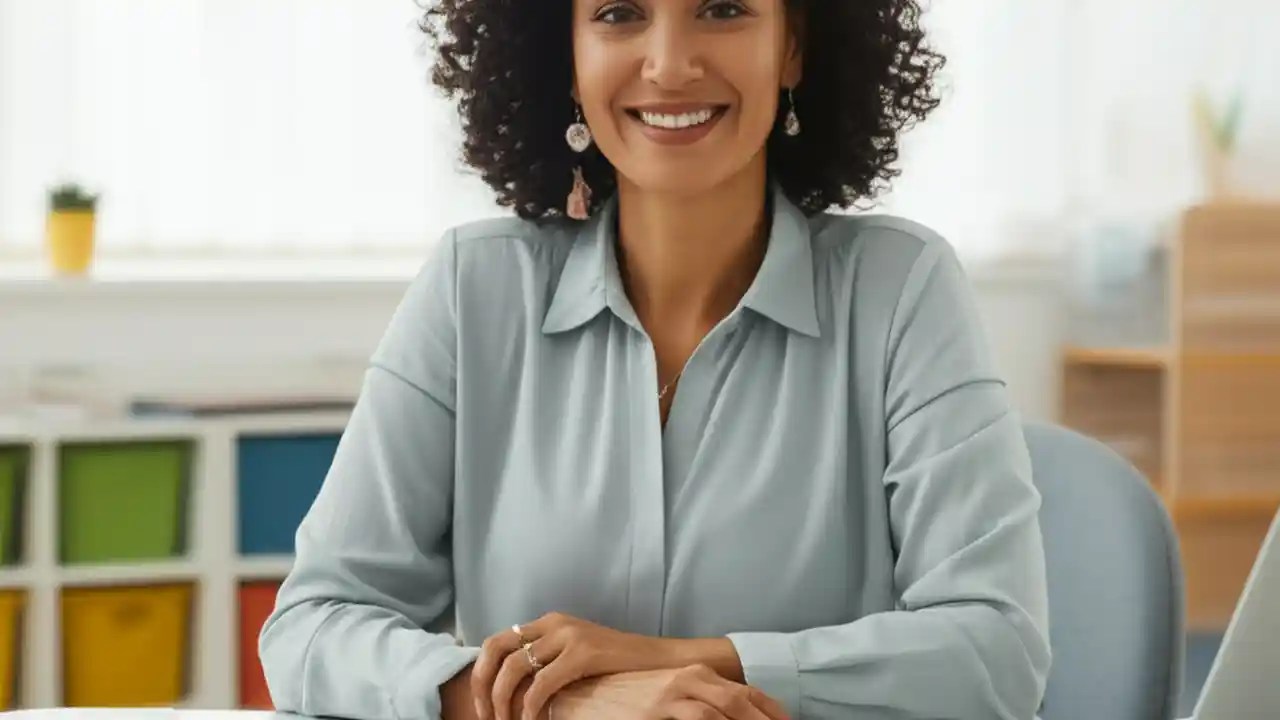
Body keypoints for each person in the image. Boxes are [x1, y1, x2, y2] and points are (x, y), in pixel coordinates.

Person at [258, 1, 1052, 719]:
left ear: (792, 47)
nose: (670, 64)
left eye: (723, 9)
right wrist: (569, 704)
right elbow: (311, 627)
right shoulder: (475, 289)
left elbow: (998, 651)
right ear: (567, 55)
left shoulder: (901, 289)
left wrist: (673, 663)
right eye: (619, 14)